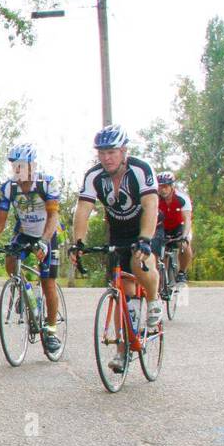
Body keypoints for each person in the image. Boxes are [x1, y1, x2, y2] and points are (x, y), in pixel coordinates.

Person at [70, 124, 162, 372]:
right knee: (123, 291)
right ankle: (123, 351)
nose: (106, 157)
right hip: (117, 232)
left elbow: (151, 204)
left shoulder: (140, 169)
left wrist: (145, 238)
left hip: (145, 225)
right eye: (101, 153)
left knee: (138, 263)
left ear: (123, 151)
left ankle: (154, 300)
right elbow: (83, 210)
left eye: (111, 152)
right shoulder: (94, 176)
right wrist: (77, 243)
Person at [0, 144, 63, 354]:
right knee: (10, 260)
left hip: (48, 233)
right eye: (14, 166)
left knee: (48, 282)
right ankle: (25, 290)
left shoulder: (47, 184)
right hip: (25, 231)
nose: (17, 170)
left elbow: (53, 216)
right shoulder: (9, 188)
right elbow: (0, 221)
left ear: (32, 166)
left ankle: (51, 331)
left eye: (21, 166)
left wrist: (44, 240)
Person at [152, 172, 193, 283]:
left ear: (172, 186)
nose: (162, 190)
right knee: (156, 250)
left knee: (184, 245)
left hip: (179, 226)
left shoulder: (182, 198)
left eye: (165, 186)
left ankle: (182, 272)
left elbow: (187, 219)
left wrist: (184, 236)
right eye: (160, 187)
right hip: (162, 227)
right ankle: (160, 278)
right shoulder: (155, 198)